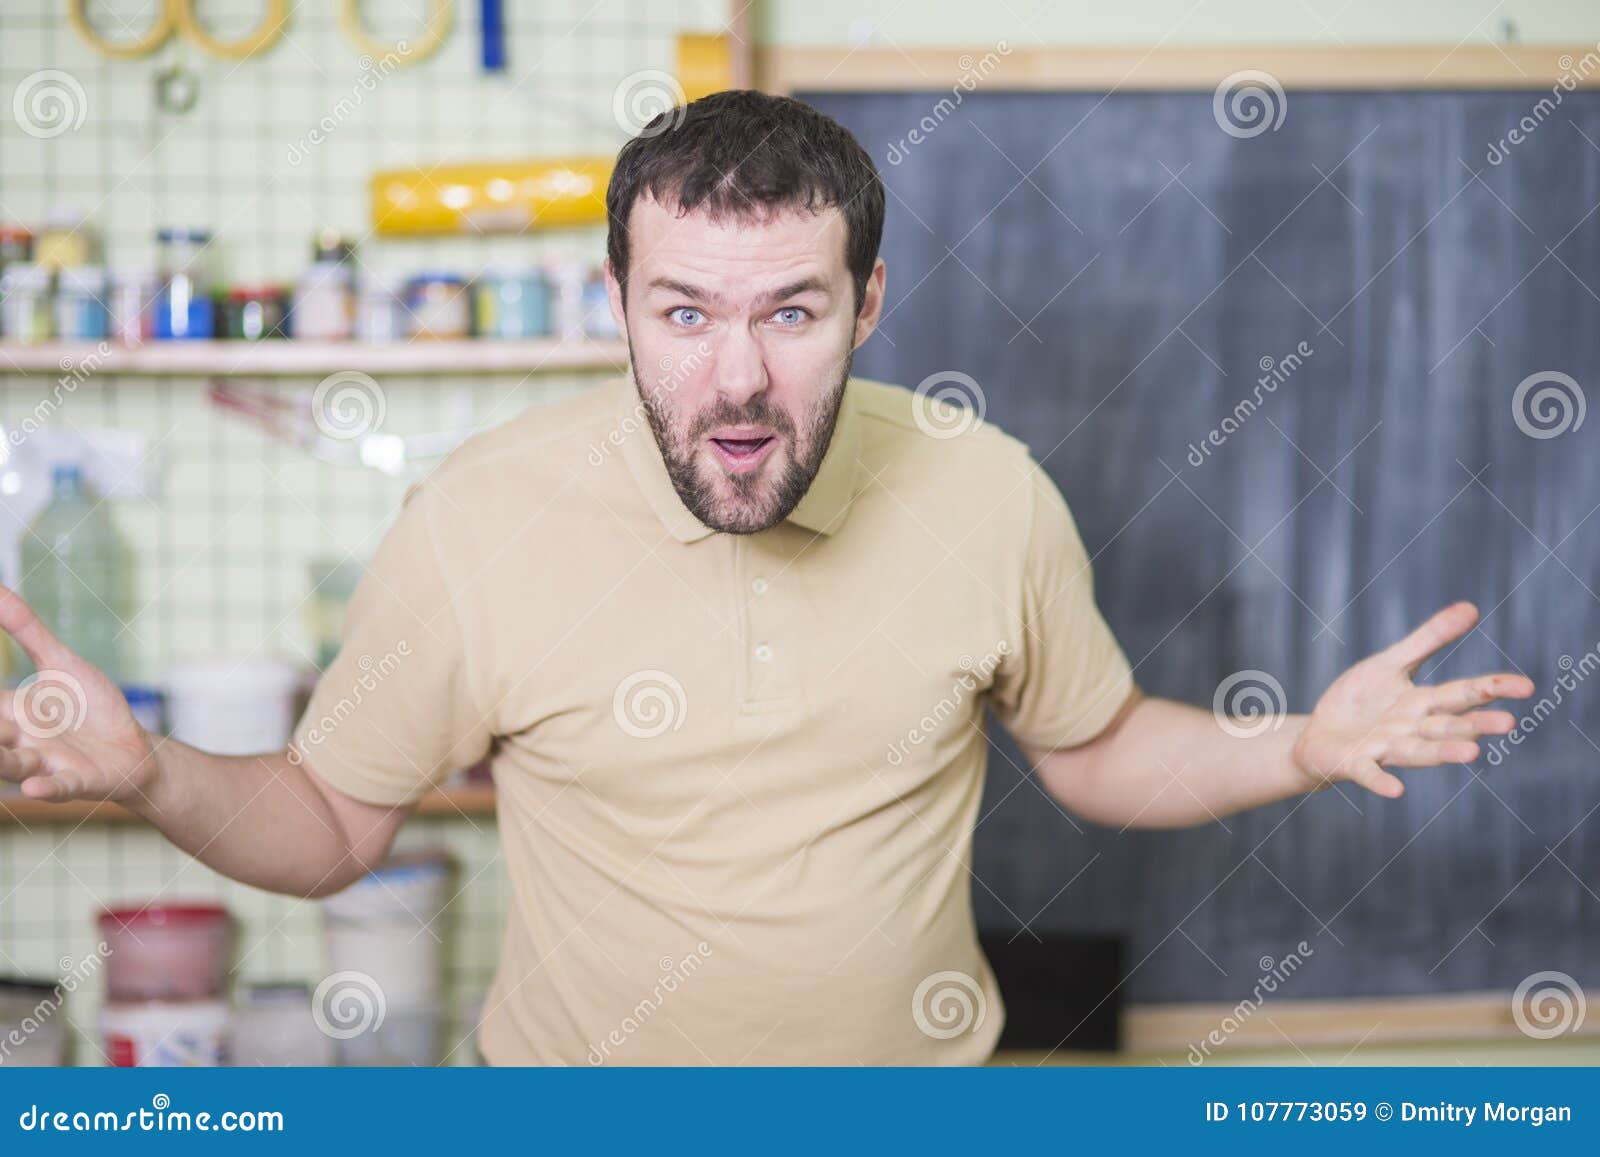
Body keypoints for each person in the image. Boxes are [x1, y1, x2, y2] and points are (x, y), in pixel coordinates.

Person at [0, 91, 1532, 1065]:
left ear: (869, 302)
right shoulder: (478, 520)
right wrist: (153, 772)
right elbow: (333, 824)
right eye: (682, 313)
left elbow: (1099, 745)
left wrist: (1300, 744)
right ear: (615, 302)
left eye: (792, 313)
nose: (736, 378)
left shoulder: (983, 489)